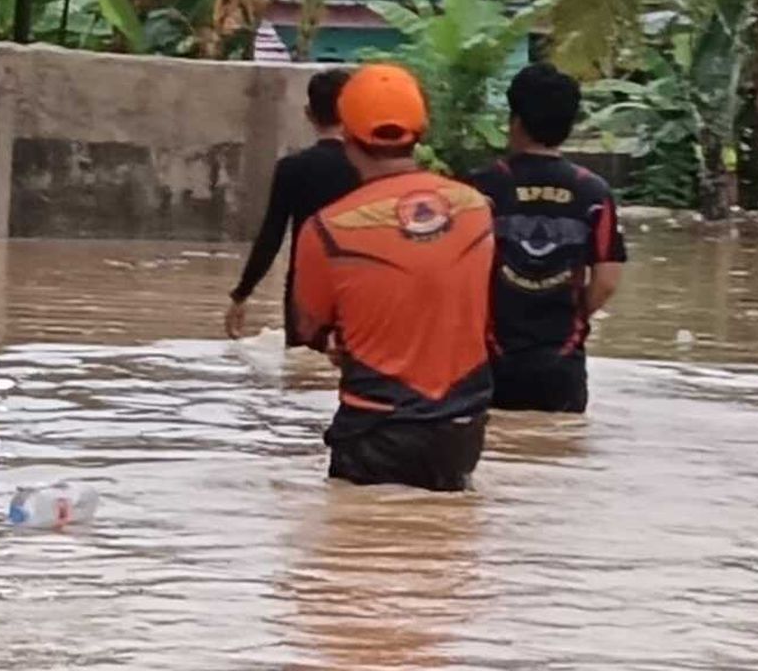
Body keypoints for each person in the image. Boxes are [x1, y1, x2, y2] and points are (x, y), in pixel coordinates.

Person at [292, 65, 495, 491]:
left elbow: (308, 324)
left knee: (358, 549)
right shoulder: (477, 210)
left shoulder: (328, 229)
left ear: (346, 136)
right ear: (420, 132)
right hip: (462, 426)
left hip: (376, 429)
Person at [468, 63, 627, 414]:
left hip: (491, 357)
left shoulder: (480, 187)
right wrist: (575, 316)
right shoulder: (594, 192)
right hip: (562, 362)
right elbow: (607, 281)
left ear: (516, 121)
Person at [225, 69, 359, 345]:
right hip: (357, 285)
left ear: (309, 114)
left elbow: (270, 237)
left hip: (304, 290)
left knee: (300, 374)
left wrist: (241, 294)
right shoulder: (366, 168)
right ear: (351, 113)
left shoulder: (292, 168)